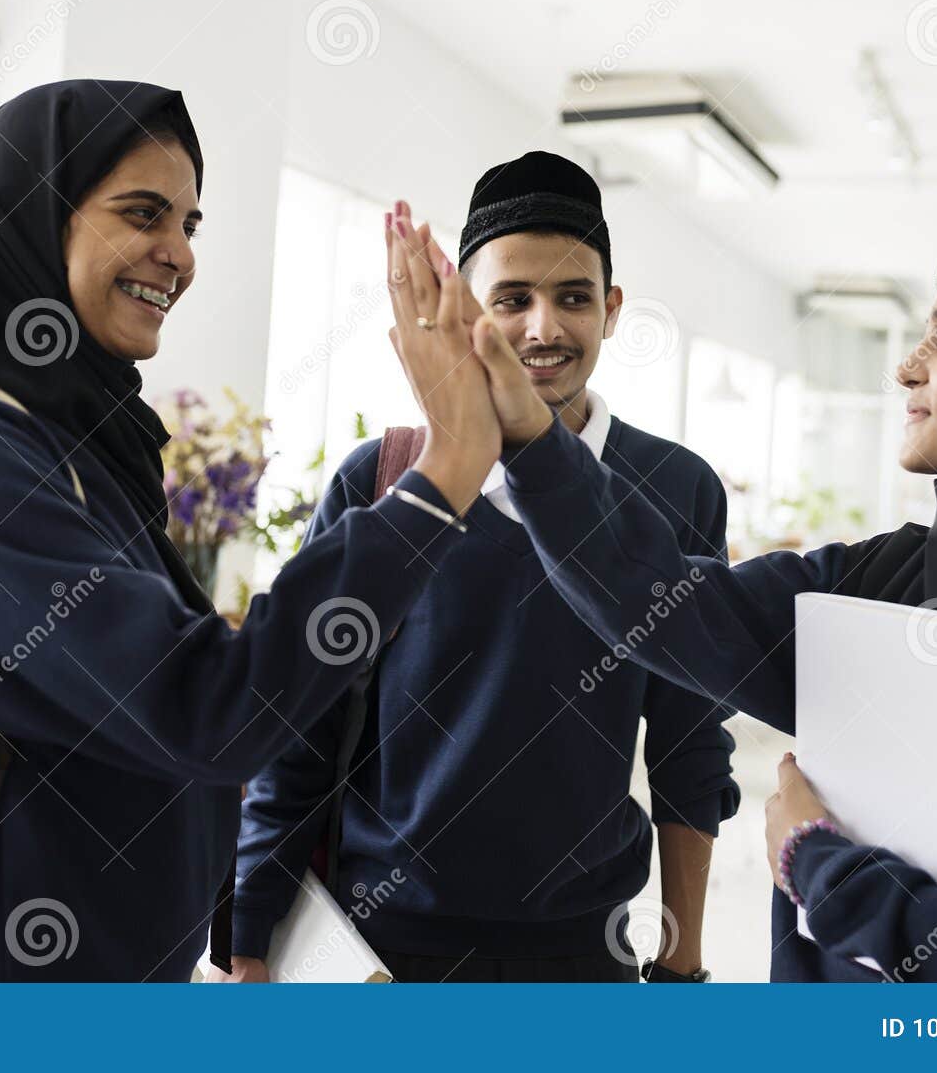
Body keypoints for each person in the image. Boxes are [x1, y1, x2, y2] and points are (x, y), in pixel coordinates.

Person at [397, 225, 937, 981]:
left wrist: (818, 863)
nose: (908, 365)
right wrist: (527, 431)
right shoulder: (914, 573)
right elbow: (673, 607)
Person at [0, 80, 503, 980]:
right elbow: (207, 707)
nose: (179, 256)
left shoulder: (64, 440)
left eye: (190, 225)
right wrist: (445, 470)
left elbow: (147, 686)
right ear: (34, 214)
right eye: (142, 214)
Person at [226, 154, 738, 984]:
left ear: (611, 311)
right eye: (511, 300)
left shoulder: (676, 490)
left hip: (583, 952)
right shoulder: (384, 479)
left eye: (573, 297)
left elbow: (688, 744)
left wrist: (682, 962)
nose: (544, 328)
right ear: (468, 314)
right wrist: (249, 941)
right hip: (380, 949)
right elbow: (299, 727)